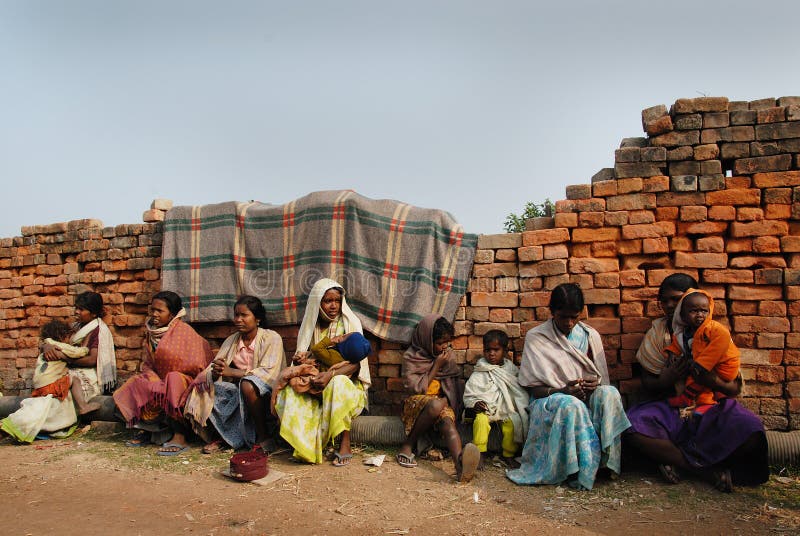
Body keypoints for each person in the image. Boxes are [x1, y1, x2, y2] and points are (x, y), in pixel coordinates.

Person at [626, 274, 768, 492]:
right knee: (632, 426)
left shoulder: (715, 333)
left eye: (676, 299)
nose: (670, 305)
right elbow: (648, 382)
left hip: (711, 405)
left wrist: (712, 380)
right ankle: (706, 471)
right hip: (673, 407)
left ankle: (677, 462)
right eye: (665, 301)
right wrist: (667, 377)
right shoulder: (658, 334)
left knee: (751, 429)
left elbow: (733, 387)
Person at [506, 283, 630, 491]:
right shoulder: (537, 338)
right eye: (563, 317)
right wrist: (562, 390)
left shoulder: (590, 336)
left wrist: (593, 385)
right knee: (571, 404)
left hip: (582, 397)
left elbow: (601, 380)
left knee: (609, 394)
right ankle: (576, 469)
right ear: (552, 312)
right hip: (549, 401)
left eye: (575, 316)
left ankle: (606, 465)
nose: (570, 323)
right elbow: (535, 389)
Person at [273, 278, 370, 466]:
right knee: (288, 391)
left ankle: (345, 441)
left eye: (337, 301)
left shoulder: (349, 324)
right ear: (318, 303)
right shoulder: (311, 325)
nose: (333, 306)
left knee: (338, 384)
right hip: (316, 381)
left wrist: (330, 375)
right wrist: (302, 360)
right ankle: (305, 446)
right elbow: (307, 356)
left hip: (346, 384)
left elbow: (358, 365)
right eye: (327, 301)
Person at [1, 292, 116, 442]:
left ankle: (20, 425)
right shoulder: (75, 327)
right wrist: (46, 347)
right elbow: (54, 340)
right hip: (69, 370)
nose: (77, 312)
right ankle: (17, 425)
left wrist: (64, 357)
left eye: (81, 309)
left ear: (93, 313)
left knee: (57, 399)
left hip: (87, 377)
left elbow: (92, 360)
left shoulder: (99, 331)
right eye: (77, 308)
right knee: (49, 395)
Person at [113, 291, 213, 455]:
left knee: (173, 380)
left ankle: (180, 436)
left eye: (160, 311)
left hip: (186, 381)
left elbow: (199, 363)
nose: (154, 314)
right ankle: (148, 430)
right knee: (139, 382)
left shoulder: (184, 332)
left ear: (172, 314)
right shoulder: (152, 333)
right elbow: (148, 362)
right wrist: (152, 377)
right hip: (161, 378)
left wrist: (169, 377)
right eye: (153, 310)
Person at [183, 296, 286, 453]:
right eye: (236, 315)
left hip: (266, 393)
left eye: (244, 315)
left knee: (248, 385)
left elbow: (269, 373)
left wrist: (233, 372)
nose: (238, 319)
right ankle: (225, 438)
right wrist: (216, 372)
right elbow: (215, 369)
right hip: (241, 391)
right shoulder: (232, 340)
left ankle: (264, 437)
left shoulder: (271, 338)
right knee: (207, 387)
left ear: (257, 318)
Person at [396, 314, 480, 483]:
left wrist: (448, 400)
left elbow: (453, 385)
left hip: (441, 403)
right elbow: (417, 388)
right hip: (416, 404)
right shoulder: (412, 357)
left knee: (448, 424)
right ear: (427, 340)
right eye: (440, 343)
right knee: (435, 404)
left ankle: (460, 467)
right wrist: (436, 366)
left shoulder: (447, 356)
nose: (444, 347)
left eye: (447, 343)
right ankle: (407, 445)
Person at [463, 329, 529, 469]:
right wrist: (475, 404)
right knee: (480, 420)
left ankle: (508, 454)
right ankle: (479, 453)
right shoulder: (481, 369)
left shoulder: (510, 370)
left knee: (513, 421)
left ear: (505, 351)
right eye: (488, 350)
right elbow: (471, 392)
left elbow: (517, 391)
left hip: (505, 408)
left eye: (496, 350)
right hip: (485, 409)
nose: (491, 353)